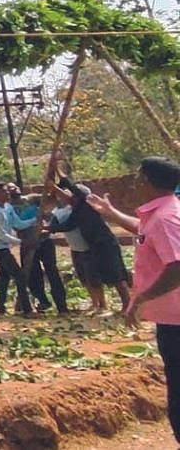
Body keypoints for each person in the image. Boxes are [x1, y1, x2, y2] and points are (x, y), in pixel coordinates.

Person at [87, 157, 180, 444]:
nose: (135, 181)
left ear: (147, 182)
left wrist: (141, 298)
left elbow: (177, 266)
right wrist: (110, 212)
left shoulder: (166, 218)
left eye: (138, 177)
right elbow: (143, 230)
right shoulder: (160, 214)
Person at [57, 176, 132, 313]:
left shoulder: (87, 204)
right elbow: (67, 226)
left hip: (106, 243)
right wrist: (47, 229)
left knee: (116, 275)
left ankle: (128, 305)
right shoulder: (76, 211)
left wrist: (56, 182)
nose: (68, 198)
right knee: (109, 275)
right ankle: (123, 304)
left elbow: (74, 190)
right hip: (95, 245)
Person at [6, 186, 69, 315]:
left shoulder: (32, 199)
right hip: (27, 243)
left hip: (44, 241)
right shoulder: (9, 209)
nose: (13, 188)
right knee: (33, 275)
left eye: (14, 186)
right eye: (9, 188)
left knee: (52, 271)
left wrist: (52, 185)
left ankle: (62, 306)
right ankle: (43, 301)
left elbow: (51, 201)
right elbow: (15, 225)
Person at [47, 195, 105, 312]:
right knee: (83, 277)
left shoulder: (76, 210)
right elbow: (53, 226)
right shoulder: (56, 212)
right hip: (75, 248)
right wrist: (46, 228)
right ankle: (94, 303)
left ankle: (102, 304)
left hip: (87, 247)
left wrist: (48, 228)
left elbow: (67, 226)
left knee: (93, 277)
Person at [0, 182, 32, 317]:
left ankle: (1, 308)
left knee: (5, 278)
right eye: (4, 192)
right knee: (19, 276)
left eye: (7, 191)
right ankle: (27, 309)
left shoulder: (8, 208)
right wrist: (21, 242)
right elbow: (1, 235)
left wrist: (35, 220)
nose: (7, 193)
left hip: (4, 247)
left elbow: (18, 224)